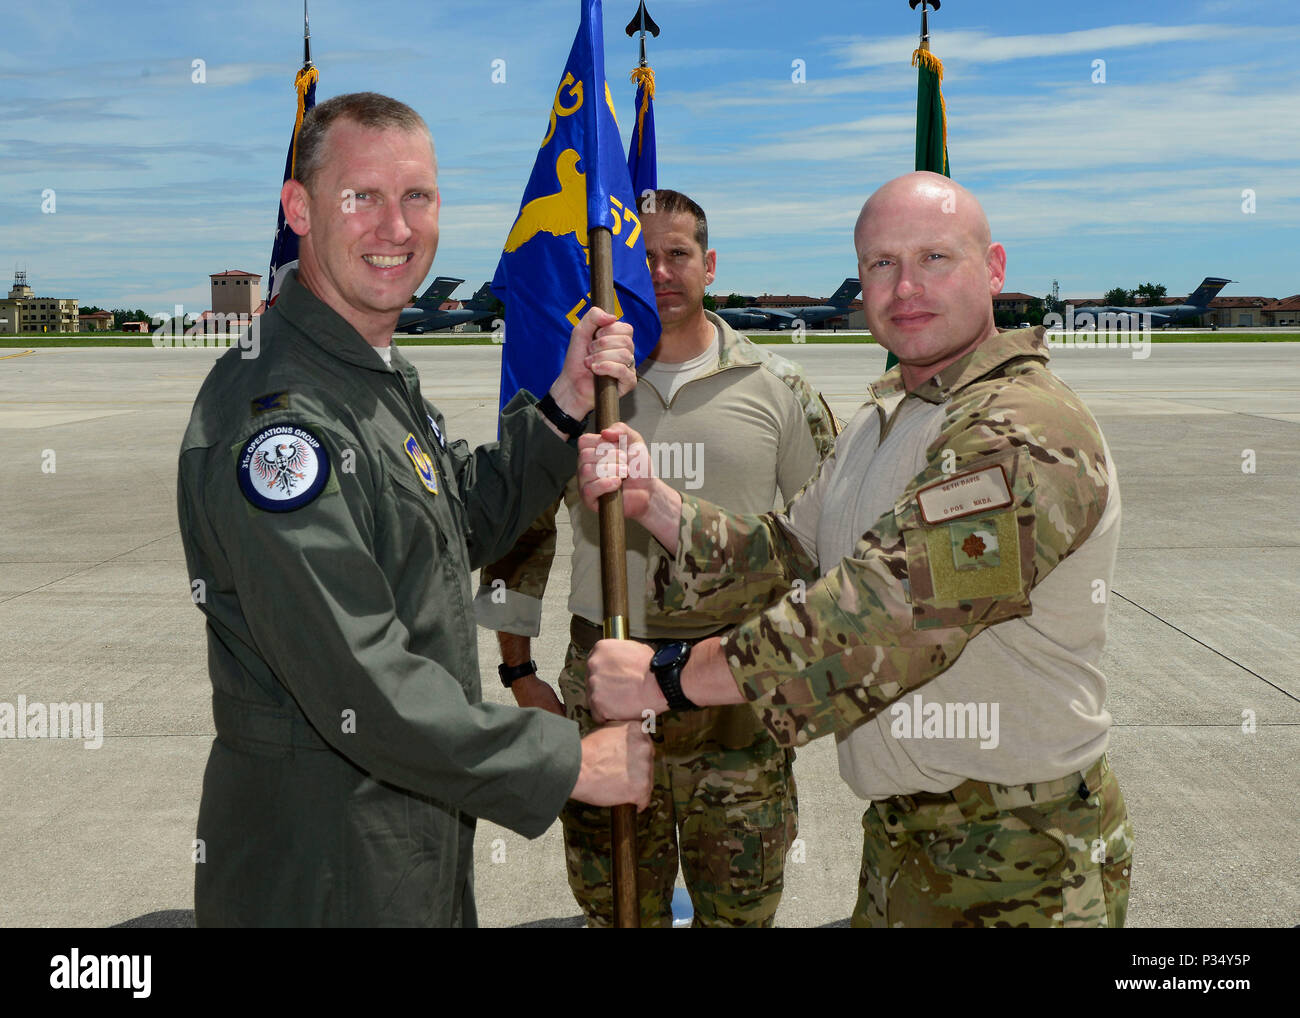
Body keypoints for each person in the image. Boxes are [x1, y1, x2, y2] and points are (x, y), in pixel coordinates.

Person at [580, 171, 1135, 928]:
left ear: (995, 268)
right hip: (909, 837)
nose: (905, 286)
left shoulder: (1021, 426)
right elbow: (792, 553)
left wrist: (669, 679)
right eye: (881, 264)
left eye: (935, 257)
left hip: (1018, 857)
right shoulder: (888, 419)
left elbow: (891, 616)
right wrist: (657, 504)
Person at [175, 92, 651, 928]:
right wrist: (567, 759)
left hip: (405, 837)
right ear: (300, 208)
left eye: (418, 197)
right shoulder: (283, 421)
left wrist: (566, 404)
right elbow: (364, 680)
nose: (396, 227)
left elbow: (450, 522)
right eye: (362, 196)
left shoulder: (368, 376)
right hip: (324, 867)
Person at [474, 189, 837, 927]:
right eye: (642, 257)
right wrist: (518, 674)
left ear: (710, 265)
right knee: (616, 910)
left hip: (734, 696)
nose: (660, 272)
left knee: (740, 912)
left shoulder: (779, 388)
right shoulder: (579, 395)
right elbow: (518, 541)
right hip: (604, 689)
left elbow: (825, 545)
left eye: (677, 254)